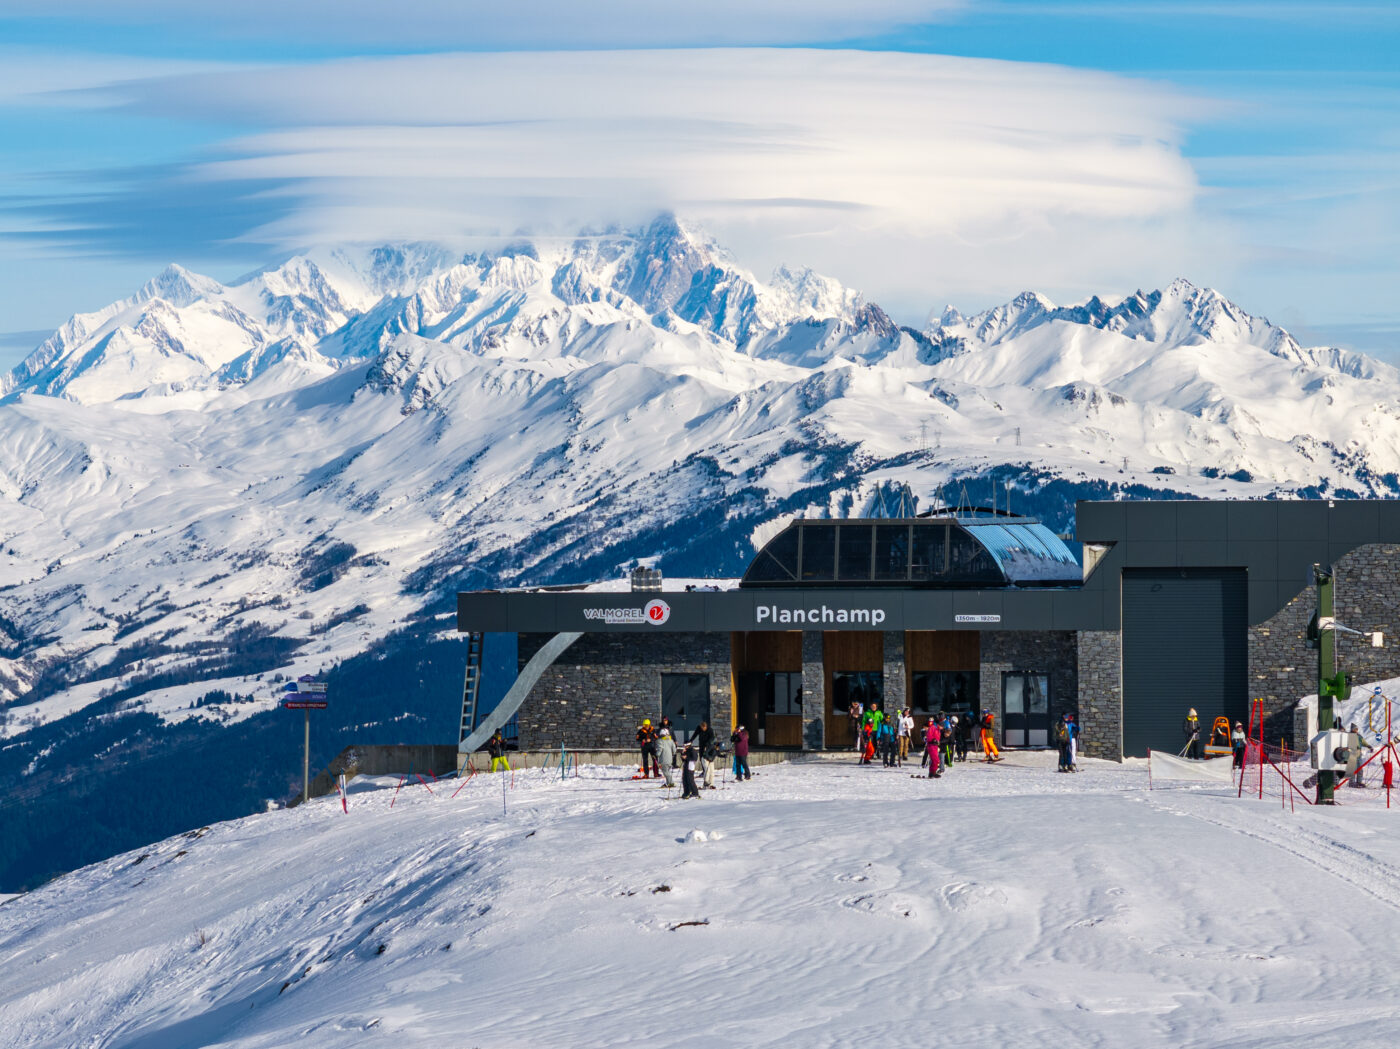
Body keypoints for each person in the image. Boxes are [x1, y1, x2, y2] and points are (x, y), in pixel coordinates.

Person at [688, 719, 717, 789]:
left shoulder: (710, 730)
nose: (703, 729)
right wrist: (691, 741)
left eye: (704, 728)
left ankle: (711, 784)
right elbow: (695, 734)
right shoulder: (699, 728)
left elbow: (712, 738)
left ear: (706, 727)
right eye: (701, 728)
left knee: (711, 770)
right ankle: (706, 782)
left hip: (709, 748)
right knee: (706, 768)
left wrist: (707, 745)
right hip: (702, 747)